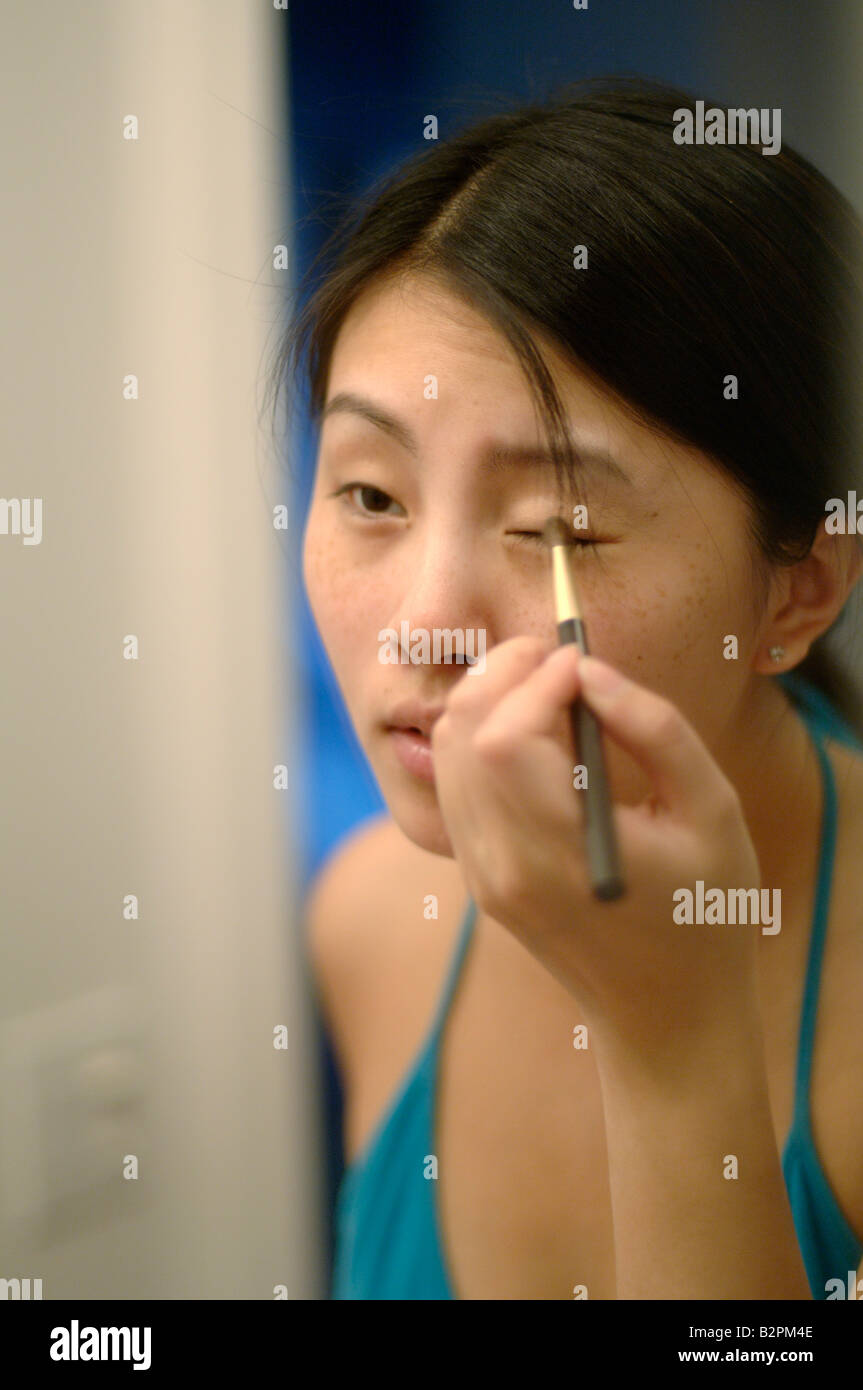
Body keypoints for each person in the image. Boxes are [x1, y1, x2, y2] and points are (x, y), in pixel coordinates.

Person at [270, 76, 863, 1299]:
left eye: (558, 528)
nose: (426, 628)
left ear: (796, 591)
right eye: (370, 495)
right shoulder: (368, 918)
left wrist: (674, 1045)